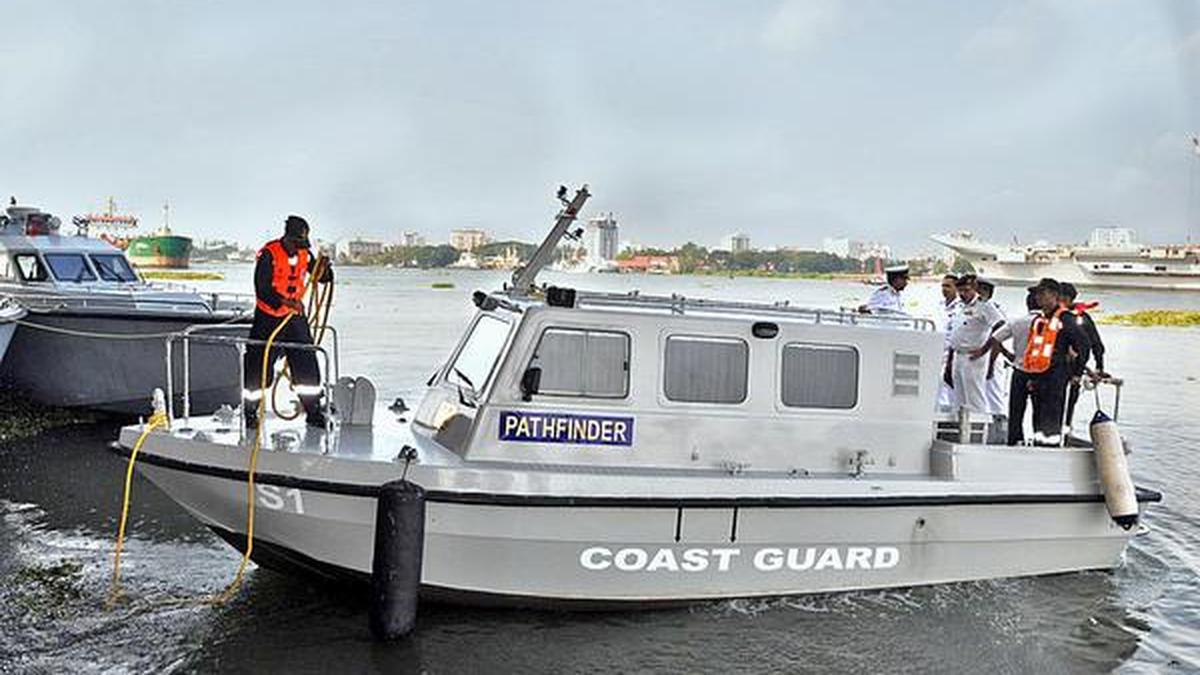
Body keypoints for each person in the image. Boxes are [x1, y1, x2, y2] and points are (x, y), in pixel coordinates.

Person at [243, 215, 334, 427]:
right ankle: (250, 412)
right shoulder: (269, 254)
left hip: (294, 320)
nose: (298, 248)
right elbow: (262, 289)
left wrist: (324, 267)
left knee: (306, 362)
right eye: (295, 243)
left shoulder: (305, 254)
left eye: (301, 244)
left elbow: (322, 278)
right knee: (259, 366)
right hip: (268, 319)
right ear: (287, 237)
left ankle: (313, 411)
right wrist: (285, 302)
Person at [1020, 278, 1087, 445]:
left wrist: (1077, 373)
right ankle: (1038, 447)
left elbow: (1084, 345)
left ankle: (1050, 449)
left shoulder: (1065, 319)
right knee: (1038, 417)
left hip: (1056, 376)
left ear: (1055, 296)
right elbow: (1033, 350)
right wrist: (1030, 377)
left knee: (1051, 418)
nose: (1038, 298)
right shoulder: (1040, 321)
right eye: (1037, 294)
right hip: (1038, 376)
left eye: (1043, 293)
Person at [975, 290, 1041, 445]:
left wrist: (1007, 354)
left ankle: (1014, 440)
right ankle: (1040, 441)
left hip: (1019, 369)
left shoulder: (1017, 322)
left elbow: (995, 338)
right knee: (1040, 410)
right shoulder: (1050, 324)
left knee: (1016, 409)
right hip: (1041, 372)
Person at [944, 274, 1005, 414]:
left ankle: (977, 433)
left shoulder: (985, 306)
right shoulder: (961, 307)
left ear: (974, 289)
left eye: (966, 290)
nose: (963, 294)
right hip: (958, 356)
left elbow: (1001, 326)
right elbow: (956, 336)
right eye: (961, 291)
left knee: (974, 399)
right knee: (958, 398)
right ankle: (960, 431)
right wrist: (949, 362)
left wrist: (984, 349)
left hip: (973, 357)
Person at [1060, 282, 1107, 430]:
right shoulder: (1053, 315)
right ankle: (1062, 430)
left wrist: (1099, 367)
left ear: (1066, 298)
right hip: (1064, 367)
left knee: (1067, 402)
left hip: (1072, 369)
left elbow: (1096, 344)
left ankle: (1064, 430)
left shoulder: (1079, 318)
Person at [975, 278, 1008, 420]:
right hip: (976, 357)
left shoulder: (993, 309)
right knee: (977, 395)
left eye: (979, 289)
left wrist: (991, 363)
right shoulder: (972, 308)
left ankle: (998, 431)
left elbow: (999, 334)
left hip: (991, 356)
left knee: (993, 396)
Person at [936, 274, 961, 410]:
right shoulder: (938, 306)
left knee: (948, 388)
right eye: (943, 286)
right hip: (937, 352)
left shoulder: (960, 308)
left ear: (956, 288)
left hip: (951, 353)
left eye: (948, 286)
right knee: (937, 388)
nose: (944, 289)